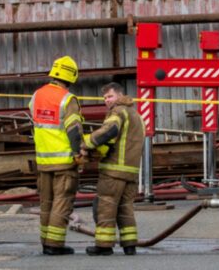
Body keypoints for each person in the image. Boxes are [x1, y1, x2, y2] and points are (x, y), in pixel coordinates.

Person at [31, 56, 86, 255]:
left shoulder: (37, 95)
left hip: (43, 161)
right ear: (71, 77)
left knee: (46, 203)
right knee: (62, 203)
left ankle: (45, 242)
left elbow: (37, 125)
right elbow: (74, 130)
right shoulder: (67, 99)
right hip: (63, 162)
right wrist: (79, 154)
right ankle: (55, 245)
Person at [82, 82, 144, 256]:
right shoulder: (136, 115)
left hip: (114, 171)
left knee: (105, 207)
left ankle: (104, 246)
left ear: (119, 95)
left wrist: (85, 143)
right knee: (125, 209)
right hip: (131, 172)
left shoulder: (118, 111)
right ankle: (129, 245)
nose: (107, 101)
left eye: (109, 96)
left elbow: (108, 132)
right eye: (104, 98)